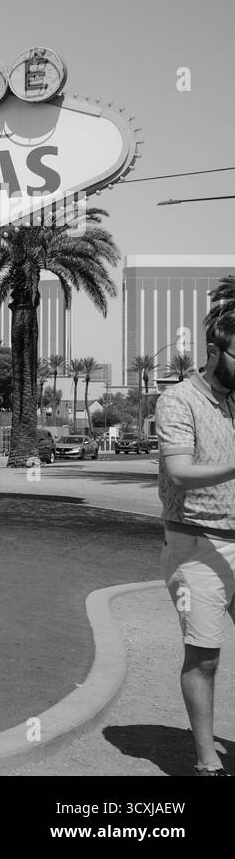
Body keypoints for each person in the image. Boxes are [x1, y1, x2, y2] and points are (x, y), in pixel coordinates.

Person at [155, 294, 235, 775]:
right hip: (196, 542)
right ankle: (207, 761)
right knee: (205, 656)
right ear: (213, 349)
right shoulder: (178, 399)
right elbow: (180, 472)